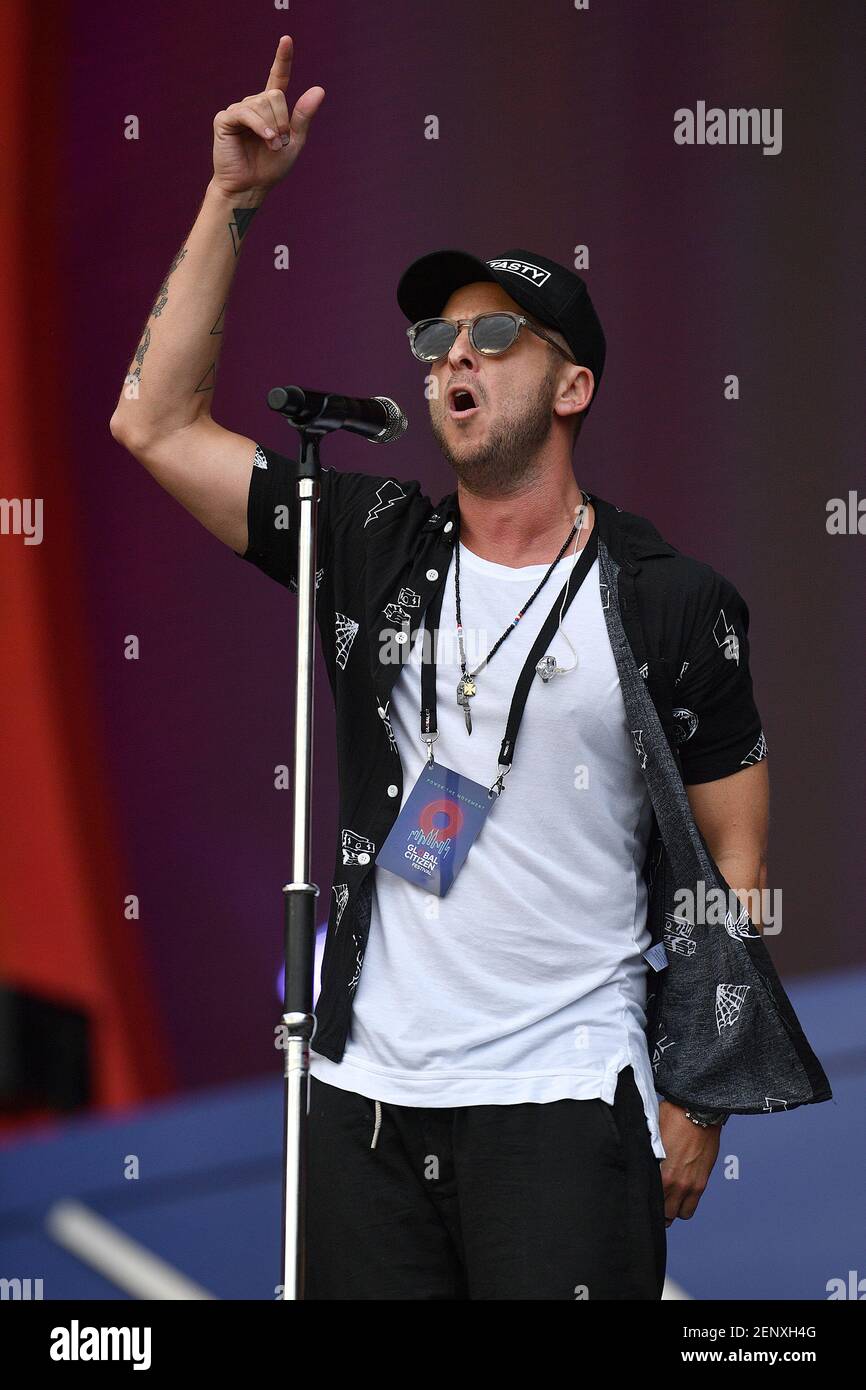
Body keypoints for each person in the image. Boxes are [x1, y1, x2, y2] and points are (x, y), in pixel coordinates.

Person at [110, 36, 830, 1301]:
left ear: (572, 383)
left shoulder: (671, 603)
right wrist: (235, 197)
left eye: (494, 332)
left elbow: (735, 856)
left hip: (564, 1102)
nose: (452, 354)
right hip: (363, 1106)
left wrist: (696, 1090)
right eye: (435, 337)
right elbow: (153, 424)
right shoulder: (369, 540)